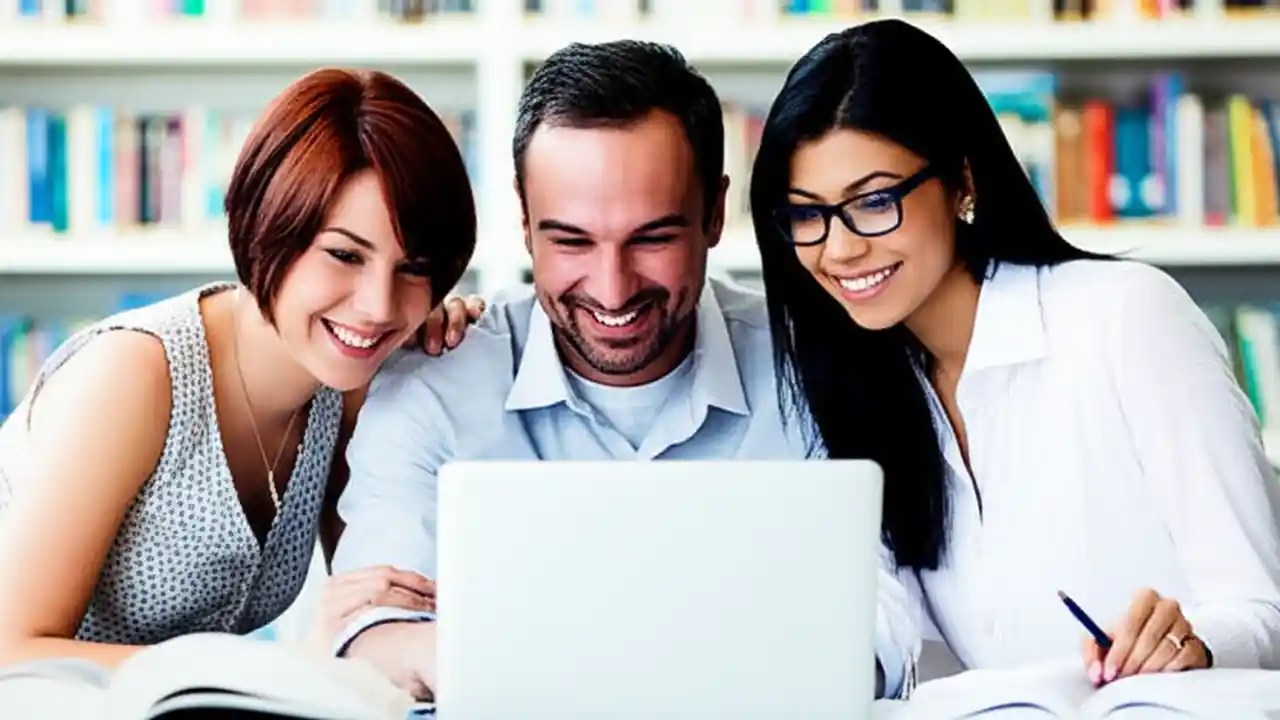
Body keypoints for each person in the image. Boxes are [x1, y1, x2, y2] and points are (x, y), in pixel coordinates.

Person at [328, 39, 921, 702]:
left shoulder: (812, 365)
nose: (612, 290)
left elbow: (883, 620)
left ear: (715, 215)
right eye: (572, 240)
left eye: (653, 237)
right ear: (525, 224)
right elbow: (369, 627)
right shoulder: (433, 382)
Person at [748, 17, 1280, 688]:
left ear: (961, 182)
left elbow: (1265, 609)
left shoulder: (1125, 317)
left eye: (875, 201)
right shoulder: (861, 386)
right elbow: (926, 667)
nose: (840, 248)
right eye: (806, 214)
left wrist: (1189, 643)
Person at [0, 67, 485, 668]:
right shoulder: (134, 375)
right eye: (344, 255)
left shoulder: (345, 388)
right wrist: (277, 672)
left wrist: (458, 362)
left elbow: (384, 614)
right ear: (267, 227)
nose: (380, 305)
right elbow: (11, 655)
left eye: (413, 268)